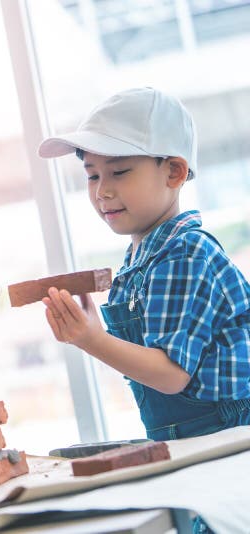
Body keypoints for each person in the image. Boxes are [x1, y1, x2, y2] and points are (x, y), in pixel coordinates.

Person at [37, 87, 250, 442]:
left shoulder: (184, 253)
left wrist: (92, 339)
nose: (102, 191)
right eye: (92, 175)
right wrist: (87, 333)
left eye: (119, 172)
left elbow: (172, 374)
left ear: (174, 173)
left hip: (229, 435)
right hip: (185, 438)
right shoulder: (140, 261)